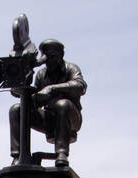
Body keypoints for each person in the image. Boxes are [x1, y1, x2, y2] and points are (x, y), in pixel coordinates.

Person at [9, 38, 87, 167]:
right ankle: (18, 156)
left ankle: (61, 153)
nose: (50, 61)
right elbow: (36, 101)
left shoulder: (71, 68)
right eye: (46, 57)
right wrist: (22, 89)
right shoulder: (41, 74)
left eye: (53, 56)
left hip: (71, 118)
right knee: (17, 110)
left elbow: (80, 86)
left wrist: (52, 89)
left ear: (60, 56)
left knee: (62, 104)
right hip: (49, 119)